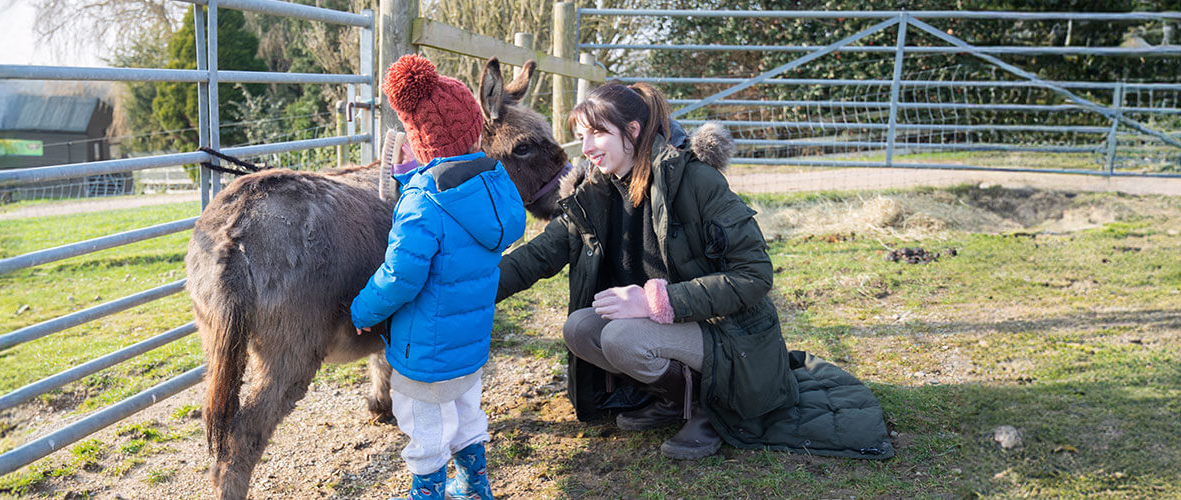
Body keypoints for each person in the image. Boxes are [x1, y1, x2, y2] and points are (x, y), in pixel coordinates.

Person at [496, 82, 896, 461]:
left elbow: (754, 275)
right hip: (667, 327)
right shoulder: (595, 192)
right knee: (580, 329)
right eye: (581, 137)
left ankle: (712, 407)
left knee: (620, 336)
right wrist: (462, 291)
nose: (585, 150)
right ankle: (674, 400)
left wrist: (655, 299)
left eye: (596, 134)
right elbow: (537, 256)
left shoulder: (696, 181)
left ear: (632, 131)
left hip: (727, 332)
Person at [351, 54, 527, 500]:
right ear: (474, 128)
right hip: (468, 347)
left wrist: (362, 308)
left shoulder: (422, 203)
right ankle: (474, 487)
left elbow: (401, 276)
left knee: (425, 429)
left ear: (419, 141)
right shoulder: (496, 187)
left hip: (425, 353)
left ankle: (427, 494)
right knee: (468, 416)